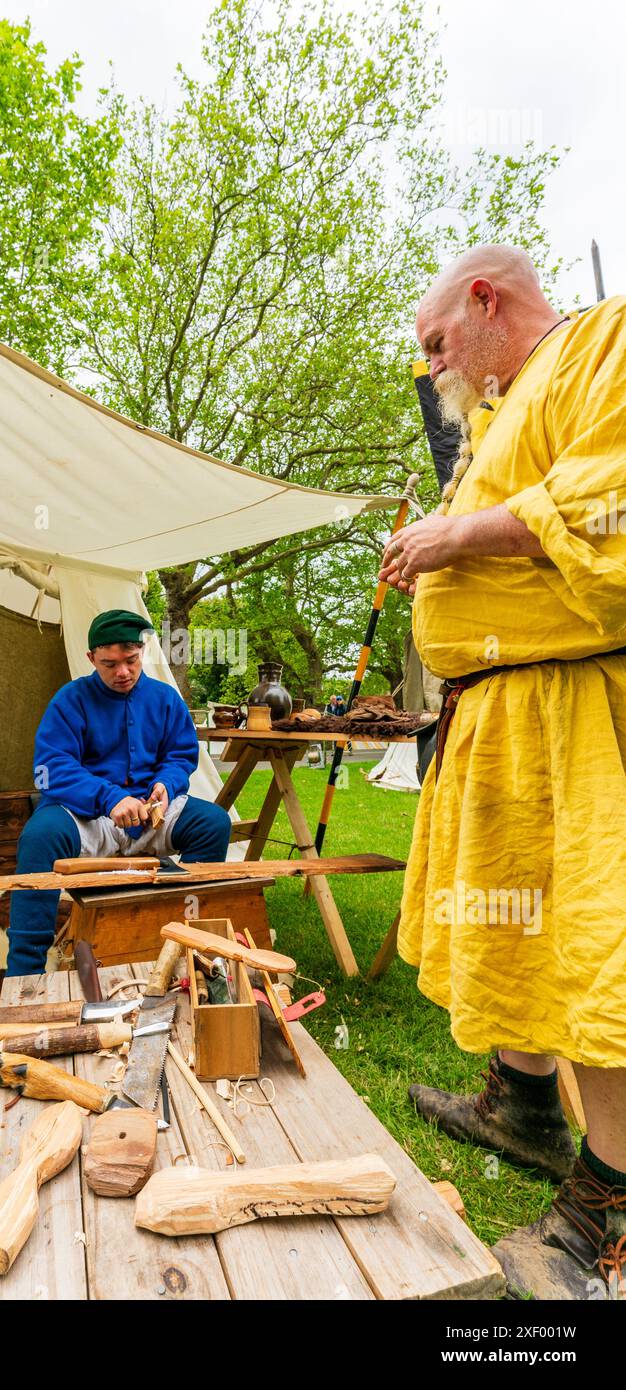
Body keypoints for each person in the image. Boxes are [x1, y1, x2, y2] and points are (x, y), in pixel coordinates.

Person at [379, 245, 626, 1299]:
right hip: (499, 716)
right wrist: (436, 553)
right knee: (516, 930)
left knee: (586, 955)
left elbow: (612, 505)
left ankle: (607, 1205)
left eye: (437, 341)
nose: (434, 366)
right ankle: (519, 1107)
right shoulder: (493, 418)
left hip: (571, 709)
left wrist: (456, 533)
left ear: (486, 299)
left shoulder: (599, 344)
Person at [6, 608, 231, 979]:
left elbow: (180, 755)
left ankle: (185, 937)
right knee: (39, 836)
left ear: (142, 651)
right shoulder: (69, 700)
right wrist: (108, 798)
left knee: (213, 823)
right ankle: (24, 971)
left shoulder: (165, 699)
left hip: (150, 813)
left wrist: (166, 785)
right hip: (89, 816)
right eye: (110, 664)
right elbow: (50, 770)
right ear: (91, 658)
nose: (122, 672)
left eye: (130, 660)